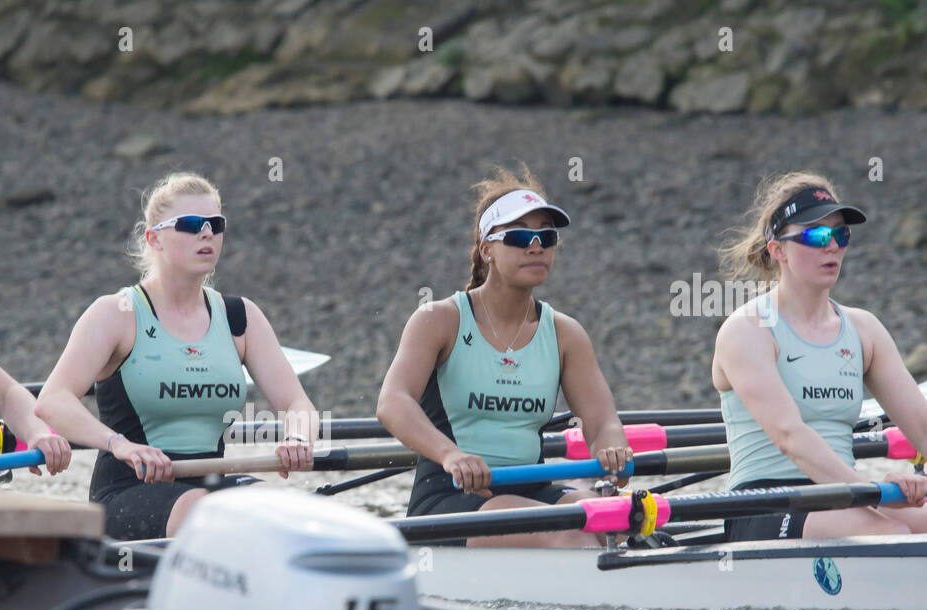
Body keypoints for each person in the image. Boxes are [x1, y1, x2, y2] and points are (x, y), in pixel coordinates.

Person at [35, 172, 317, 539]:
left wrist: (297, 438)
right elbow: (52, 400)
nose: (207, 234)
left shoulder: (240, 317)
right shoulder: (116, 313)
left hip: (210, 486)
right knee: (204, 512)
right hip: (128, 489)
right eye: (190, 225)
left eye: (216, 225)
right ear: (154, 238)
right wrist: (119, 444)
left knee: (282, 510)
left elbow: (298, 402)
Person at [377, 165, 631, 547]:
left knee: (607, 520)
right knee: (567, 531)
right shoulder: (439, 319)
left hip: (533, 493)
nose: (536, 246)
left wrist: (611, 447)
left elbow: (601, 423)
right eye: (518, 236)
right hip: (450, 498)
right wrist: (451, 455)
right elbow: (392, 403)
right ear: (486, 250)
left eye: (546, 236)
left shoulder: (566, 334)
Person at [713, 172, 927, 540]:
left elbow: (922, 429)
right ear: (777, 249)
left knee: (895, 527)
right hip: (767, 504)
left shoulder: (864, 330)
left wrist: (874, 495)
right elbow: (790, 436)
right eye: (816, 235)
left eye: (841, 235)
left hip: (845, 498)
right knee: (891, 533)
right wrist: (874, 494)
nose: (833, 247)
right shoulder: (747, 330)